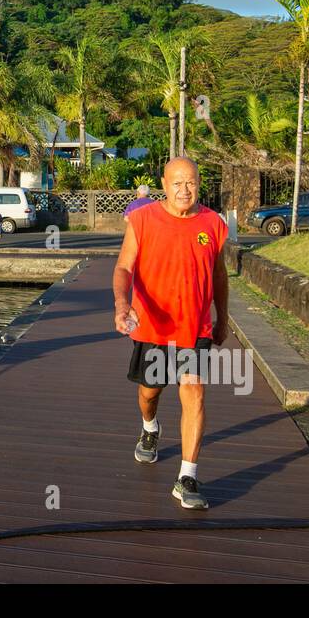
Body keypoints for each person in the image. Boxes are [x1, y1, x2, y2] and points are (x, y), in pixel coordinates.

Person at [113, 156, 228, 511]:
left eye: (190, 182)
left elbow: (219, 275)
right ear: (164, 185)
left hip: (194, 328)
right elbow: (123, 267)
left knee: (193, 392)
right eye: (177, 183)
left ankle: (187, 477)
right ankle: (150, 427)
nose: (184, 190)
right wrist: (121, 305)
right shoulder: (143, 219)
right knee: (150, 392)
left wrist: (222, 317)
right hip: (152, 326)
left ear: (198, 183)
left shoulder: (214, 223)